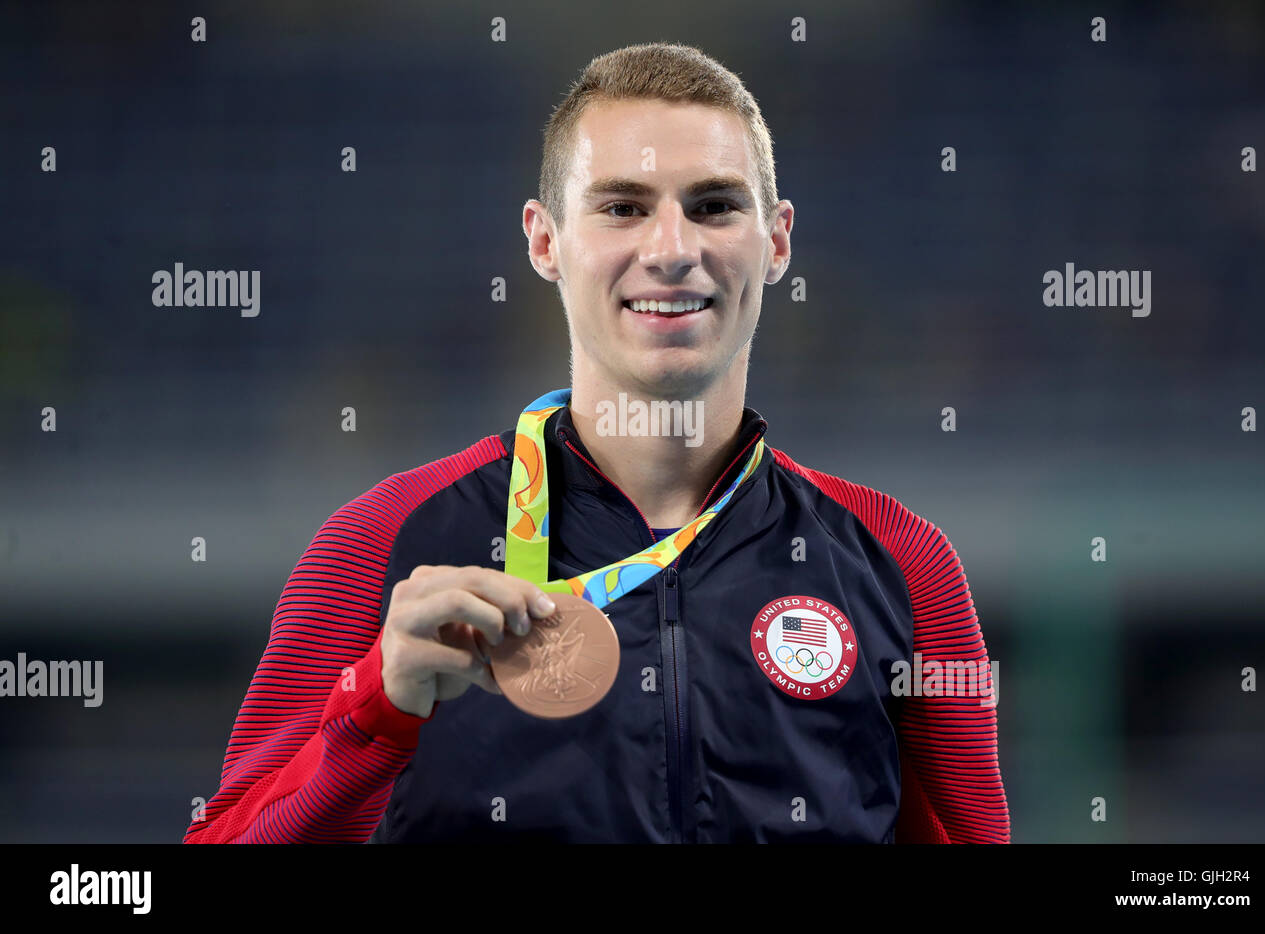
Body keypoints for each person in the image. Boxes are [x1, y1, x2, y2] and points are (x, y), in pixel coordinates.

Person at [184, 42, 1009, 844]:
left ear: (779, 240)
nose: (673, 251)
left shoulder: (901, 562)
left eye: (715, 206)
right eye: (623, 207)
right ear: (544, 241)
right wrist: (375, 713)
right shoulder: (378, 543)